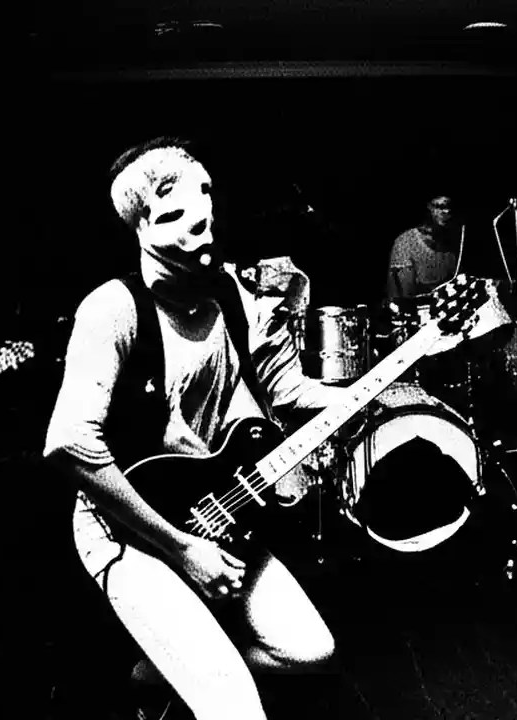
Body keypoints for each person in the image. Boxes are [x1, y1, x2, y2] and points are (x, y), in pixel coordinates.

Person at [43, 137, 361, 720]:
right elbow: (68, 444)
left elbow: (288, 391)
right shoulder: (112, 309)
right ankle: (190, 671)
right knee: (233, 706)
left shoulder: (234, 296)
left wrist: (373, 395)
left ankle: (158, 672)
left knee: (312, 652)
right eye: (173, 210)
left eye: (205, 196)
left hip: (214, 510)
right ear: (141, 226)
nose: (199, 217)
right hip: (130, 532)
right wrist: (182, 549)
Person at [385, 193, 461, 299]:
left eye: (450, 207)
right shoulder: (406, 242)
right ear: (428, 207)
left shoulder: (457, 241)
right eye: (440, 207)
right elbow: (404, 296)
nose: (447, 212)